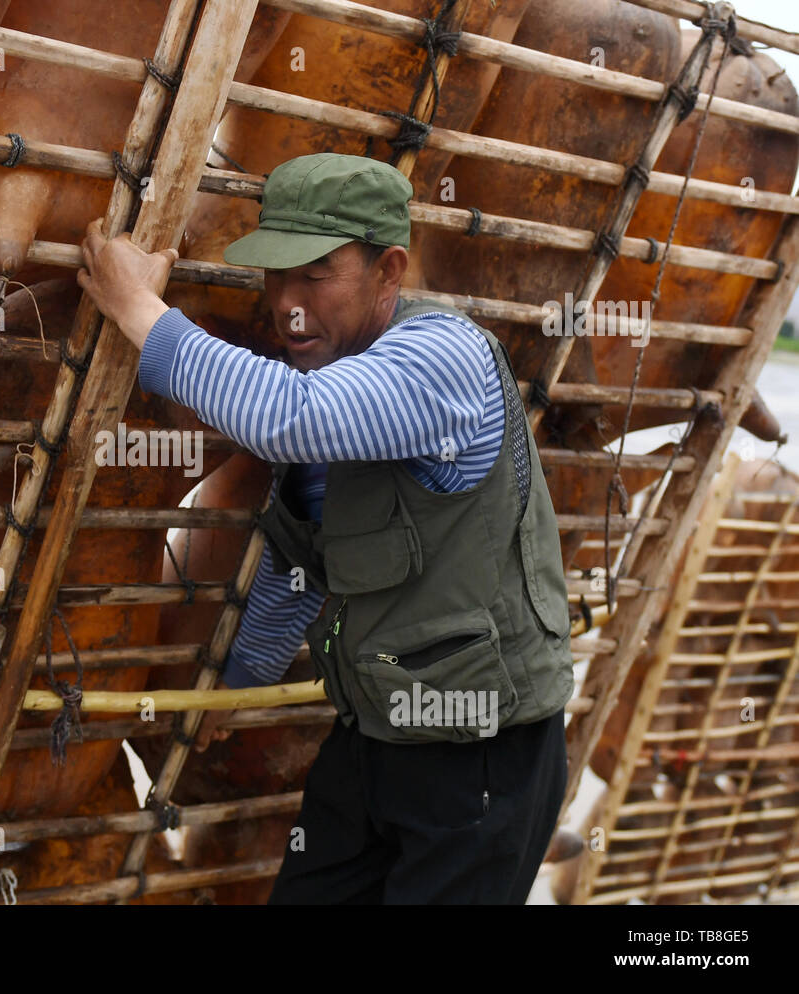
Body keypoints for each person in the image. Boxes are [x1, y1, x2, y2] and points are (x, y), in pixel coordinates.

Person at [76, 152, 573, 904]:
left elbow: (290, 420)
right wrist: (240, 678)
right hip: (373, 740)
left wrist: (138, 308)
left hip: (482, 757)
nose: (287, 304)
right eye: (276, 276)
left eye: (315, 276)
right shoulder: (336, 376)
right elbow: (304, 560)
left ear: (389, 271)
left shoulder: (444, 358)